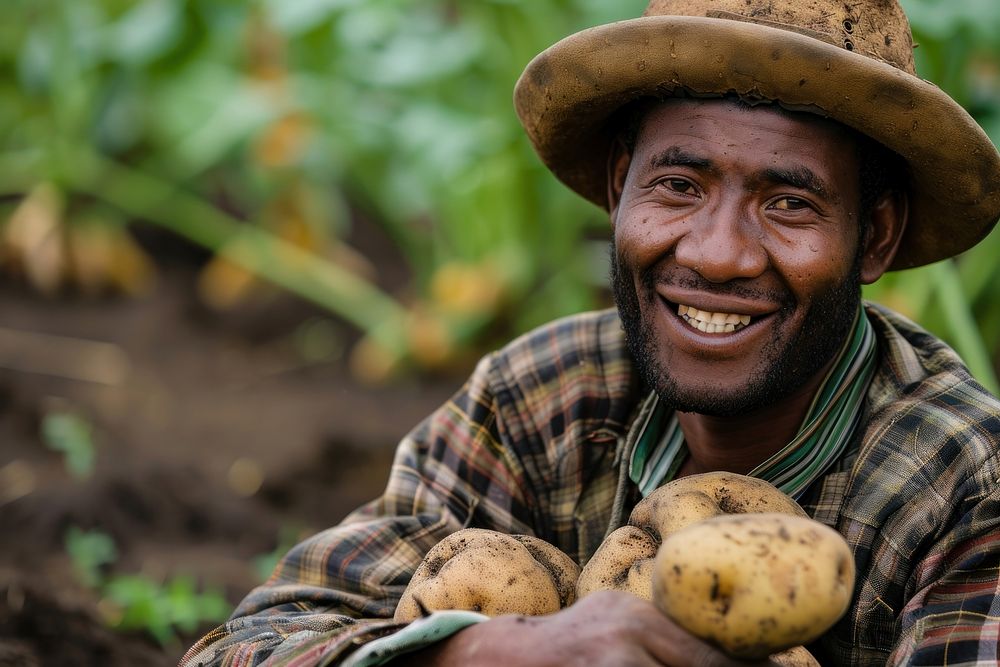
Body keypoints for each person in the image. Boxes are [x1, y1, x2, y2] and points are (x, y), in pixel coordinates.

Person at [183, 0, 1000, 665]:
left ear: (877, 238)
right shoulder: (541, 396)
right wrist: (487, 652)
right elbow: (247, 645)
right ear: (619, 190)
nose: (716, 255)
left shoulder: (964, 482)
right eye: (678, 185)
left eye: (789, 203)